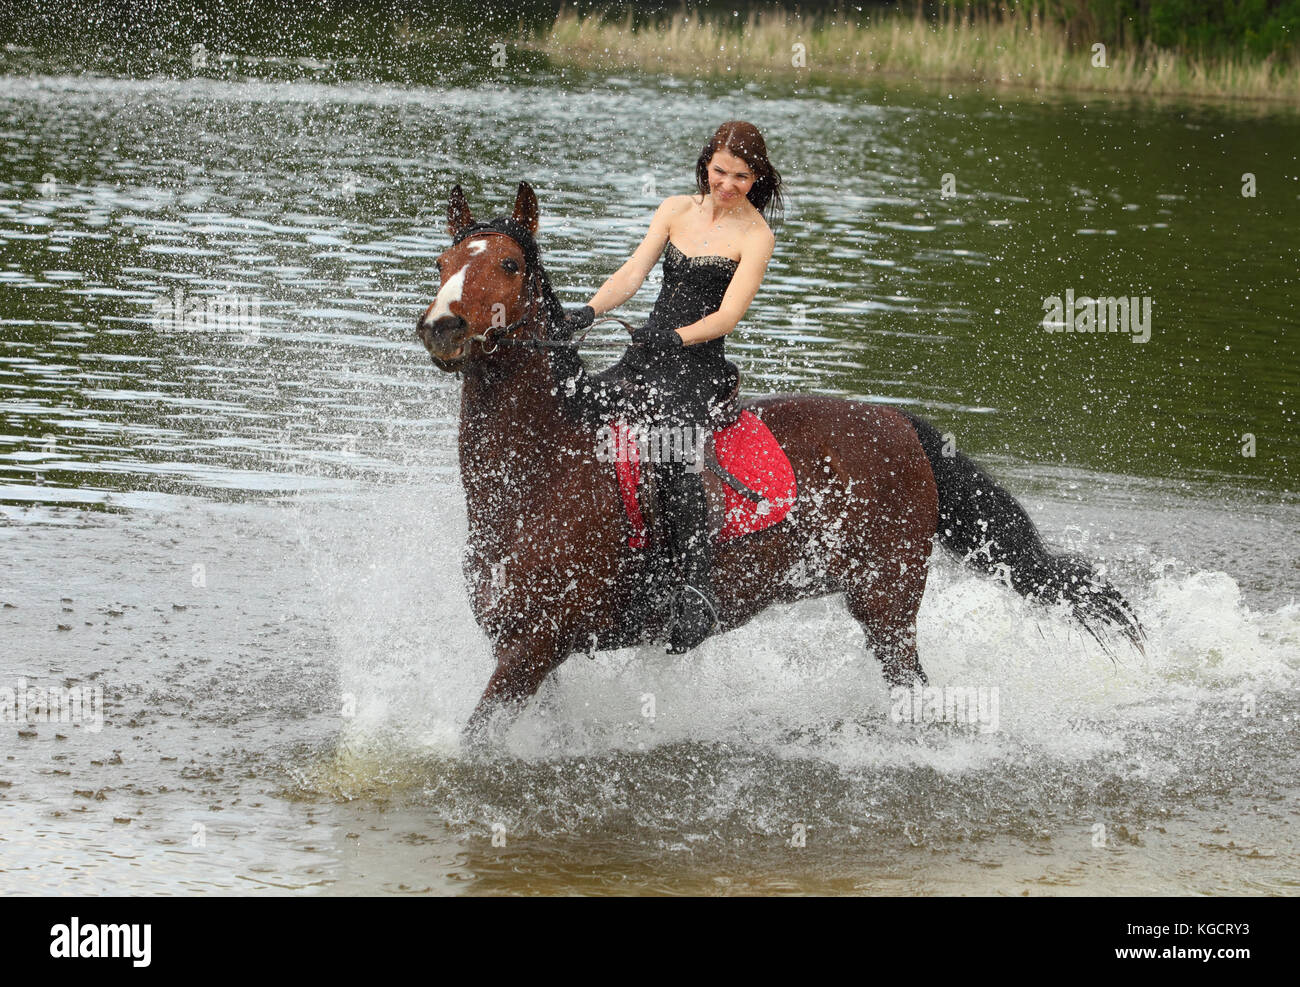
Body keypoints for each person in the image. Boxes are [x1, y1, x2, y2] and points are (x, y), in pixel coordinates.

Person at [559, 121, 782, 653]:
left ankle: (694, 589)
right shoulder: (675, 209)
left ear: (756, 179)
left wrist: (675, 339)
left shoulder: (757, 236)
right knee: (575, 402)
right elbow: (633, 273)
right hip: (649, 353)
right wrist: (587, 312)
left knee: (670, 447)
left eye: (741, 177)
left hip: (697, 368)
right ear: (707, 163)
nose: (727, 185)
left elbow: (728, 316)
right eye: (720, 171)